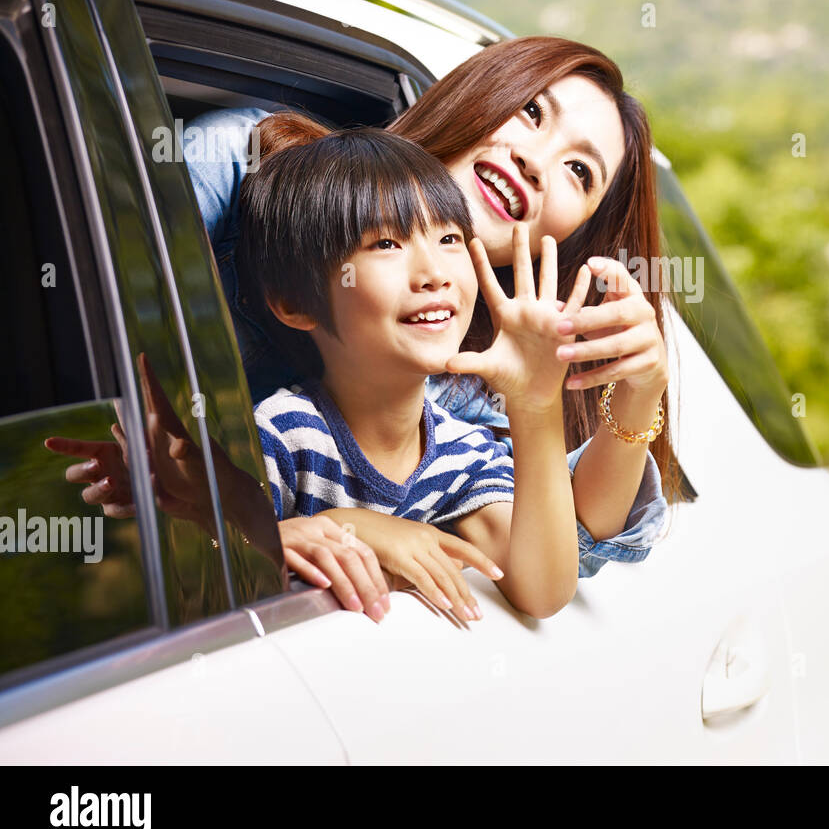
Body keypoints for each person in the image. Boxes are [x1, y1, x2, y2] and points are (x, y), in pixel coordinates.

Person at [60, 38, 677, 620]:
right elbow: (128, 475)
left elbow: (552, 558)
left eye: (579, 170)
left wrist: (619, 391)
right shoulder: (242, 163)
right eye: (532, 111)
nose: (536, 162)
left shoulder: (478, 394)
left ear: (573, 236)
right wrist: (325, 530)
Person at [242, 125, 589, 619]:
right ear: (295, 302)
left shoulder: (460, 452)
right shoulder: (282, 436)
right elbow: (213, 574)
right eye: (385, 244)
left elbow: (544, 590)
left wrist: (536, 405)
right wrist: (349, 526)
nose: (434, 273)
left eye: (449, 238)